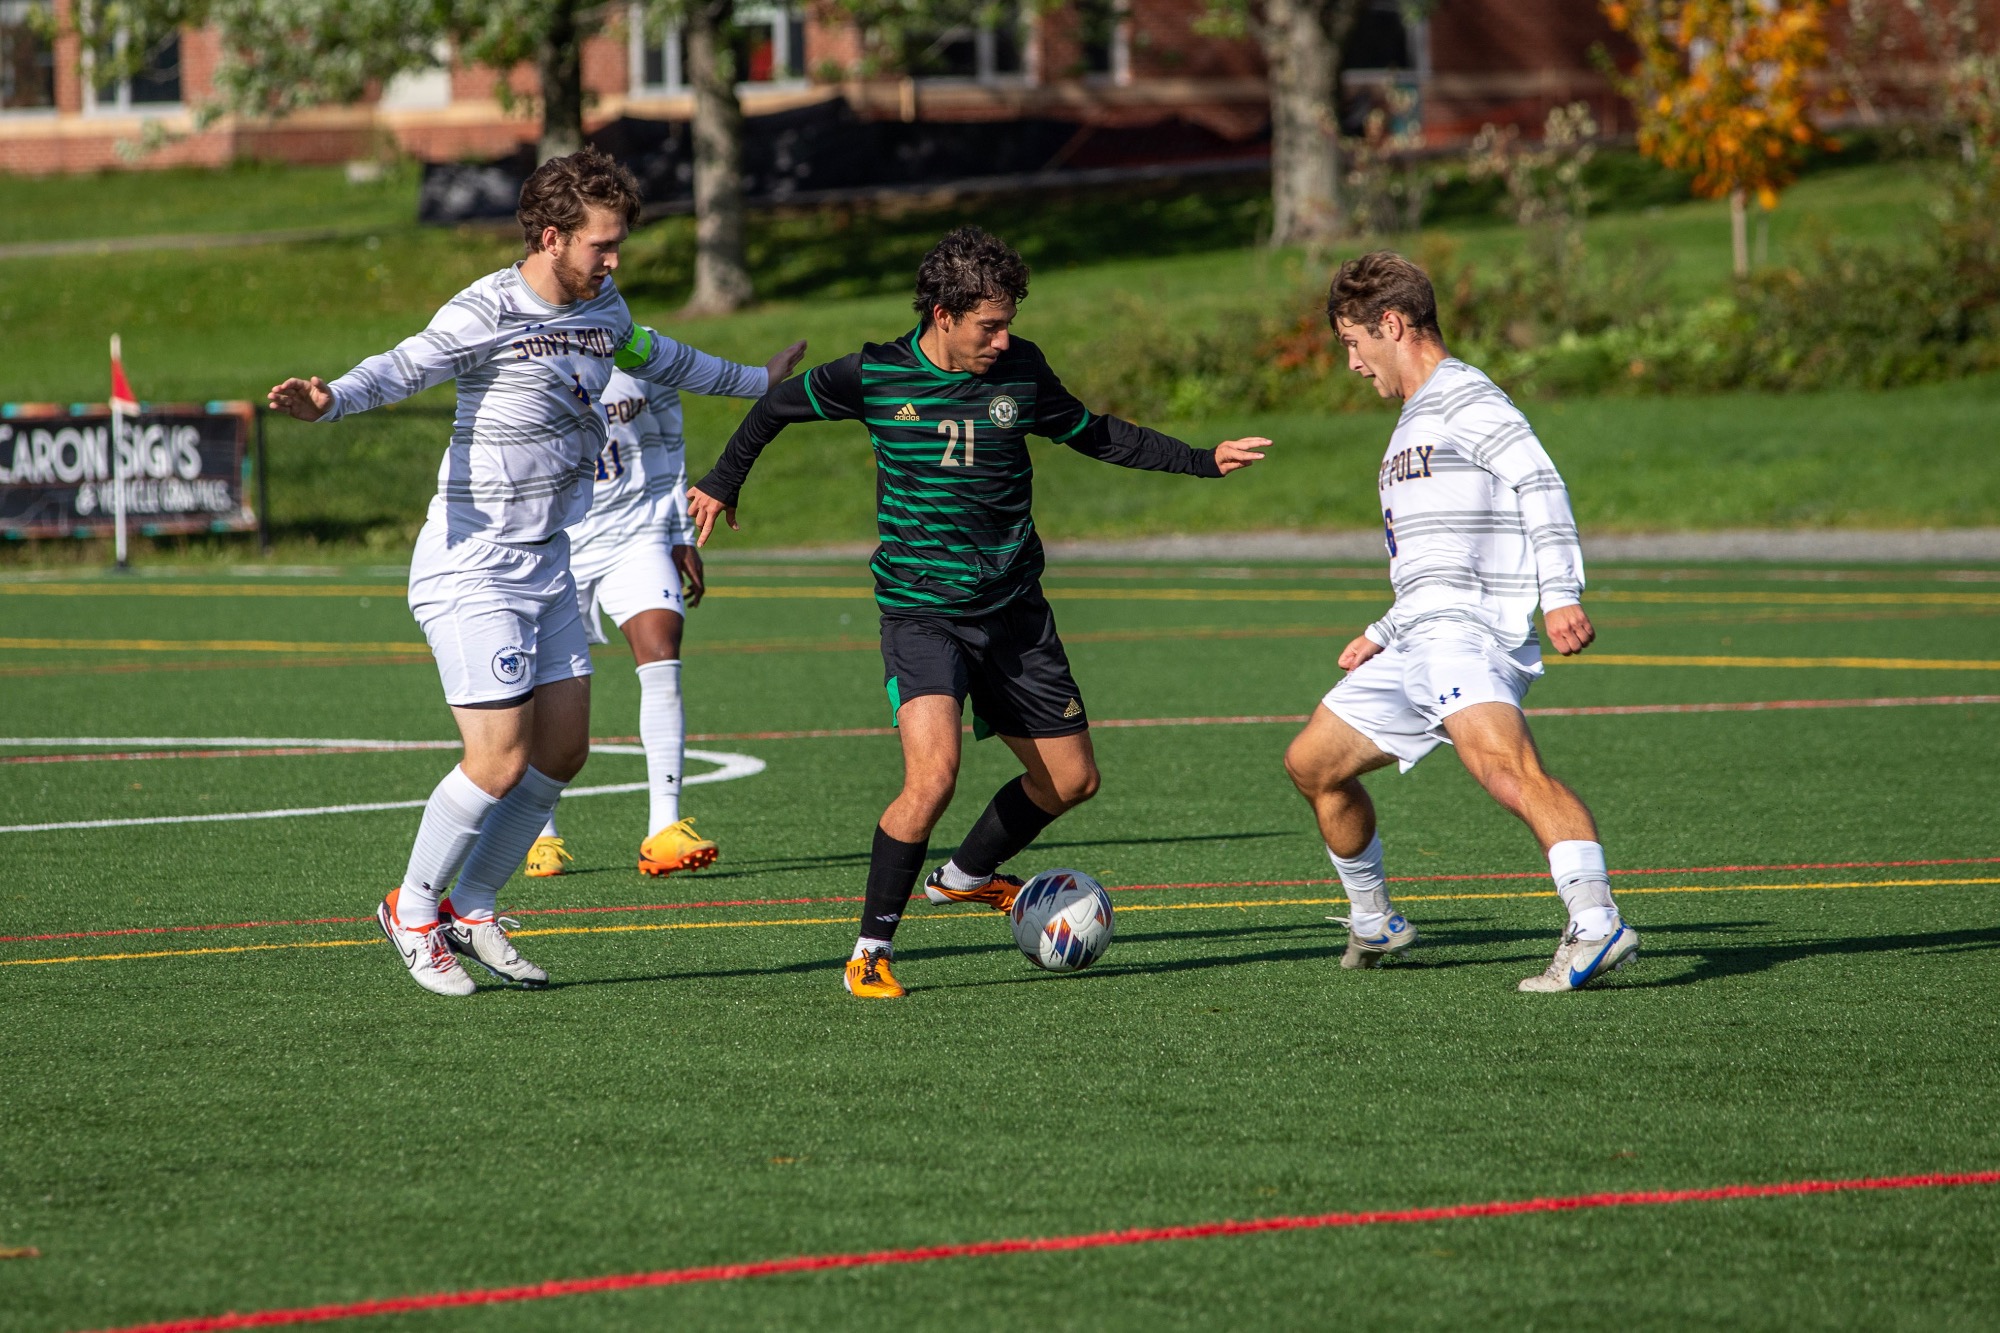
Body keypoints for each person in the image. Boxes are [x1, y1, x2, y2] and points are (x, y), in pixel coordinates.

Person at [267, 147, 803, 997]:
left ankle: (474, 907)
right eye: (602, 244)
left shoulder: (605, 307)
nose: (615, 259)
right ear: (551, 237)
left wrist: (755, 382)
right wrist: (331, 398)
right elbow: (406, 365)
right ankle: (411, 910)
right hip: (473, 564)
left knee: (563, 748)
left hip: (549, 561)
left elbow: (659, 357)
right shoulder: (486, 309)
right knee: (498, 759)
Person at [687, 225, 1268, 1000]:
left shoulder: (1021, 372)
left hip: (1015, 611)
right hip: (922, 613)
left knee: (1072, 780)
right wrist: (724, 480)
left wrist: (1201, 457)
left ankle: (963, 877)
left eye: (1008, 322)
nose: (1004, 338)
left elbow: (1093, 432)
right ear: (941, 314)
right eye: (988, 325)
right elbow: (774, 408)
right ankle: (869, 950)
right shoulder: (876, 374)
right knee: (932, 778)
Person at [1281, 250, 1637, 993]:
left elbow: (1540, 483)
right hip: (1419, 633)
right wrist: (1384, 629)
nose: (1350, 362)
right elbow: (1437, 551)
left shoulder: (1467, 397)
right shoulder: (1416, 417)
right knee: (1314, 763)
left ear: (1392, 323)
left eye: (1352, 341)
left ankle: (1597, 922)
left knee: (1510, 771)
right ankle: (1374, 917)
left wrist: (1560, 591)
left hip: (1466, 634)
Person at [523, 366, 722, 881]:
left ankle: (664, 828)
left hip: (636, 535)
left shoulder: (643, 352)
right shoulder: (529, 361)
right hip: (554, 543)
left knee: (662, 650)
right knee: (542, 685)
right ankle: (539, 833)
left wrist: (679, 529)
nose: (603, 281)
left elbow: (668, 441)